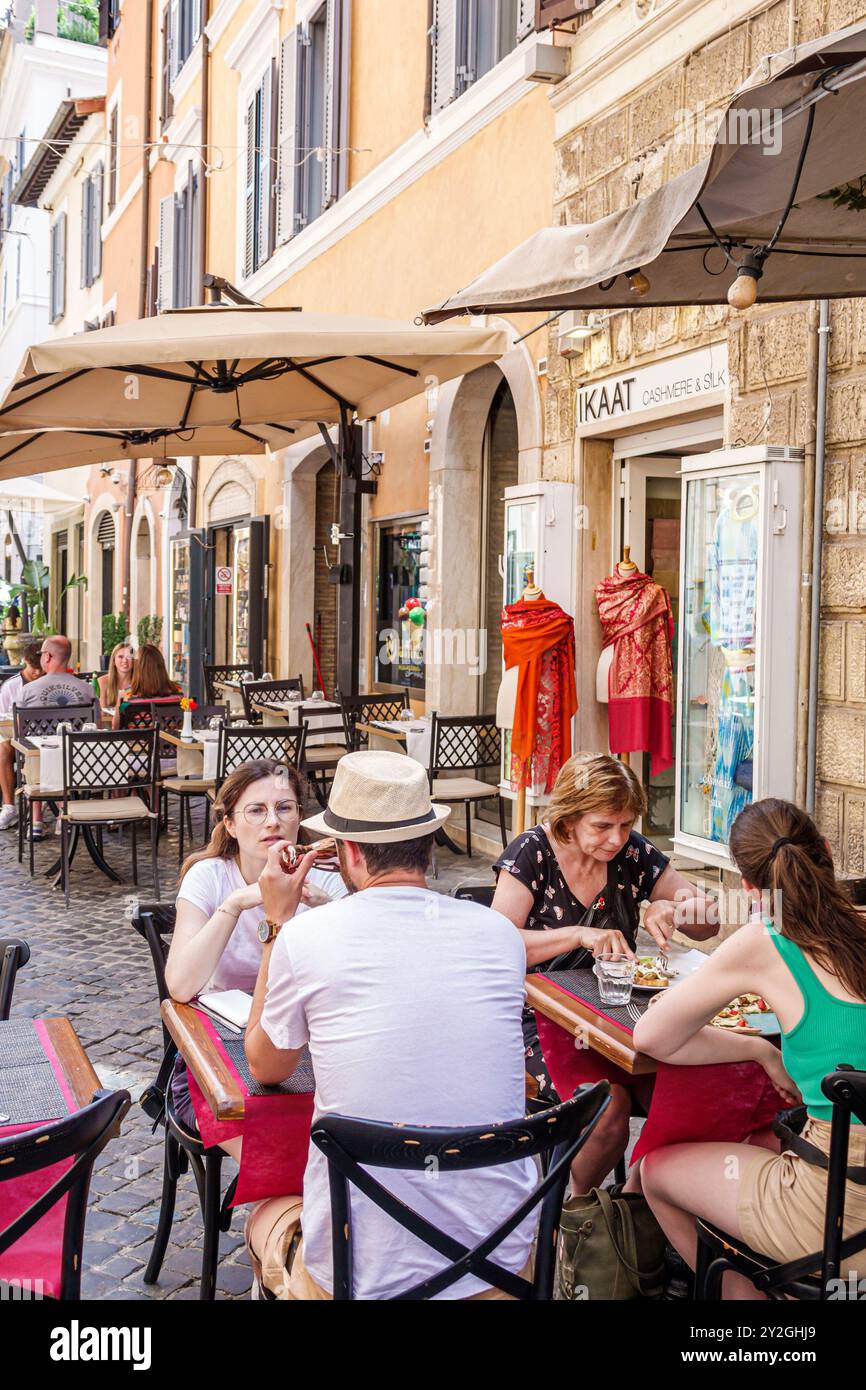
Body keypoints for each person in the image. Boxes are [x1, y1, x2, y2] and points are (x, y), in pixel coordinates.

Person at [243, 750, 538, 1300]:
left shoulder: (308, 937)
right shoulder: (499, 935)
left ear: (347, 852)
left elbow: (266, 1063)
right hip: (502, 1268)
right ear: (428, 843)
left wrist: (277, 922)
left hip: (360, 1277)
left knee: (264, 1217)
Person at [635, 797, 866, 1295]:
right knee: (761, 1141)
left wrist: (760, 1051)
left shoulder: (766, 939)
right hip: (841, 1175)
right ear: (826, 850)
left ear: (747, 887)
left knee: (654, 1171)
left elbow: (652, 1037)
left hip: (839, 1218)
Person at [492, 752, 720, 1194]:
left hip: (620, 1017)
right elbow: (498, 942)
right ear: (569, 818)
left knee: (687, 1093)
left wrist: (673, 907)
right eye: (602, 826)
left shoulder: (633, 852)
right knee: (605, 1108)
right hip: (539, 1020)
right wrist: (578, 935)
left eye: (626, 824)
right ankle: (577, 1217)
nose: (616, 839)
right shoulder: (532, 852)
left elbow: (708, 920)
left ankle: (641, 1202)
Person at [165, 759, 346, 1154]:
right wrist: (233, 906)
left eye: (285, 808)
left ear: (300, 816)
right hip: (217, 1057)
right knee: (278, 1156)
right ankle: (294, 1212)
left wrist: (327, 908)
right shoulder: (210, 876)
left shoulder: (328, 879)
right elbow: (179, 984)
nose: (272, 822)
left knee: (343, 1137)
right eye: (256, 810)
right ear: (230, 823)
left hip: (311, 1048)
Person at [0, 641, 45, 831]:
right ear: (25, 661)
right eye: (34, 668)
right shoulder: (11, 687)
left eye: (40, 668)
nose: (37, 673)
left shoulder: (48, 682)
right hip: (14, 735)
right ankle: (9, 806)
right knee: (2, 750)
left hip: (43, 736)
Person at [112, 643, 181, 727]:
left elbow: (115, 727)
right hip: (170, 739)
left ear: (137, 667)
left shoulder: (127, 695)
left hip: (137, 739)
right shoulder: (178, 691)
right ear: (161, 664)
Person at [17, 635, 94, 709]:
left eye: (41, 653)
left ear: (47, 656)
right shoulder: (88, 690)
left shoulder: (28, 691)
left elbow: (18, 721)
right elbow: (97, 721)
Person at [96, 640, 134, 713]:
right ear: (113, 661)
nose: (125, 661)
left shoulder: (139, 682)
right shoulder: (102, 681)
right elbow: (102, 712)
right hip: (108, 723)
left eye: (129, 657)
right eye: (120, 657)